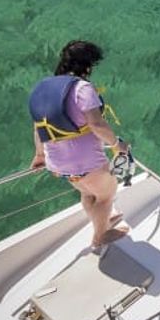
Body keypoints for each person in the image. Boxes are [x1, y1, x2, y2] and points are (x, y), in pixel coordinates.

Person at [29, 40, 131, 248]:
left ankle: (99, 221)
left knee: (87, 193)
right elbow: (96, 124)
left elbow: (38, 127)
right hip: (86, 162)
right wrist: (116, 145)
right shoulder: (82, 89)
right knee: (106, 196)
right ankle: (100, 237)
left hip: (58, 164)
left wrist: (40, 156)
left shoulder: (44, 88)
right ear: (87, 66)